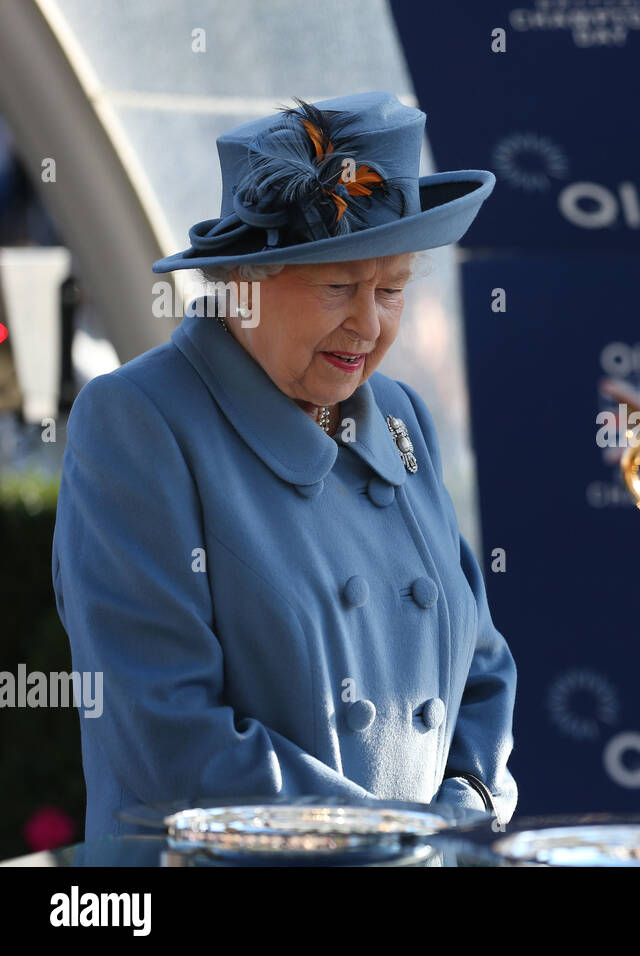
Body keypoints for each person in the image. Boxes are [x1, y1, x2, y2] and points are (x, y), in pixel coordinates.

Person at [51, 91, 517, 842]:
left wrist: (463, 808)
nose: (369, 324)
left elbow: (483, 667)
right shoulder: (137, 422)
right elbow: (168, 735)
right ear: (243, 283)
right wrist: (392, 842)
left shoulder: (399, 415)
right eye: (339, 287)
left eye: (392, 290)